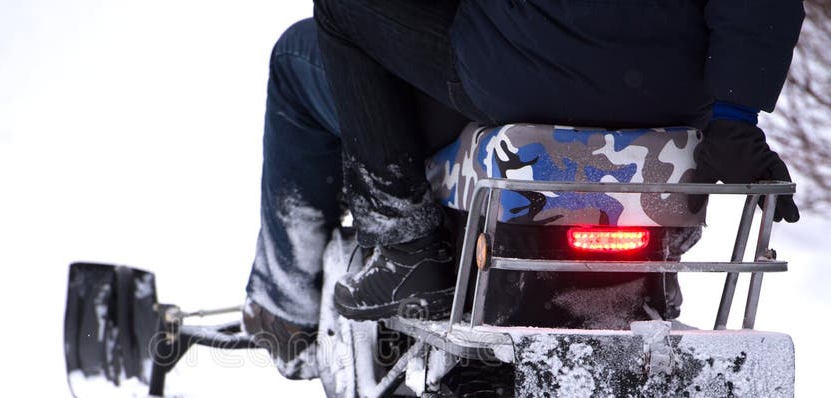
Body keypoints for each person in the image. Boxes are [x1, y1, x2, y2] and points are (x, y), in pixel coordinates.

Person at [244, 1, 805, 377]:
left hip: (521, 76)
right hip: (672, 95)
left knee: (331, 19)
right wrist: (735, 118)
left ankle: (391, 251)